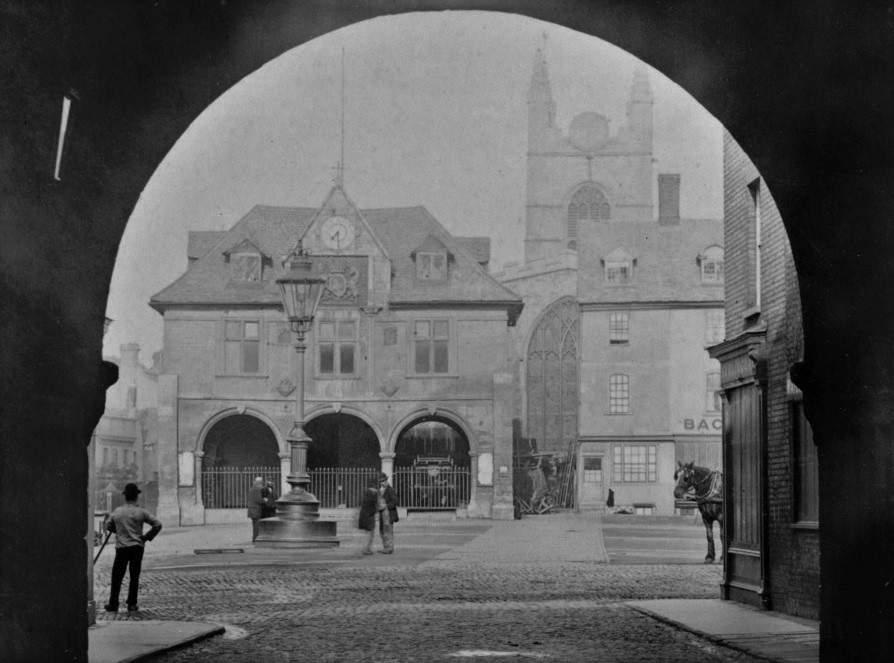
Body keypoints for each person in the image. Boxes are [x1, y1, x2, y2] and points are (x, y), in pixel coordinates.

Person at [104, 483, 162, 613]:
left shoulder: (117, 511)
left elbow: (108, 526)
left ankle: (113, 604)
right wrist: (146, 537)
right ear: (136, 496)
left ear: (125, 496)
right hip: (137, 548)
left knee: (116, 576)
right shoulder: (141, 512)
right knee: (134, 576)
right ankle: (132, 604)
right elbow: (157, 524)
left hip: (122, 548)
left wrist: (120, 531)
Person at [358, 472, 398, 555]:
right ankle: (386, 546)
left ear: (386, 480)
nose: (382, 483)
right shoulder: (381, 489)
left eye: (383, 481)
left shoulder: (390, 490)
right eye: (380, 481)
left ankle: (389, 547)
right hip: (383, 513)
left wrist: (386, 505)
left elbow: (395, 501)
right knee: (382, 530)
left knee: (387, 530)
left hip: (388, 513)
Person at [247, 476, 267, 541]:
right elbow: (258, 500)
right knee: (256, 526)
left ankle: (255, 539)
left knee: (255, 526)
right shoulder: (256, 490)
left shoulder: (253, 489)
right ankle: (256, 539)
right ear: (258, 483)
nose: (261, 485)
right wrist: (264, 500)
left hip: (253, 510)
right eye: (261, 483)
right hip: (255, 511)